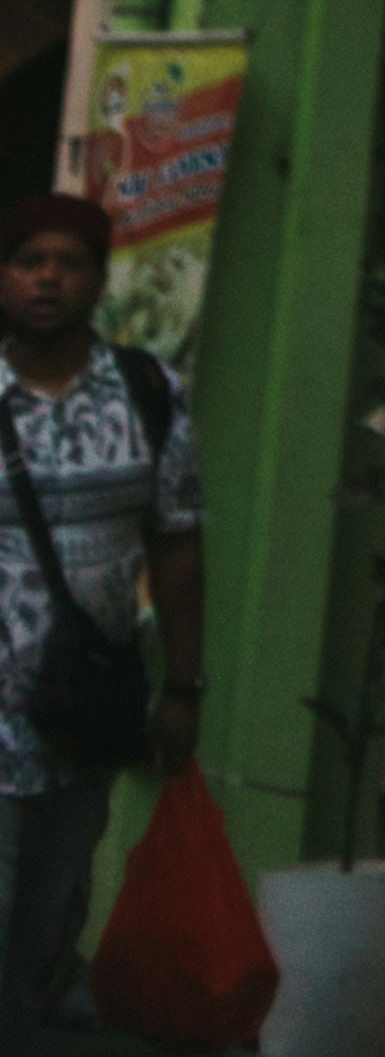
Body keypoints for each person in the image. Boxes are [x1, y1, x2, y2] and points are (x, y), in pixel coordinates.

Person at [0, 192, 202, 1050]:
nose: (48, 276)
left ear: (96, 279)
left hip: (90, 701)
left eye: (68, 260)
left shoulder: (149, 390)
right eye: (28, 259)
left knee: (55, 898)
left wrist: (184, 688)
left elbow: (179, 543)